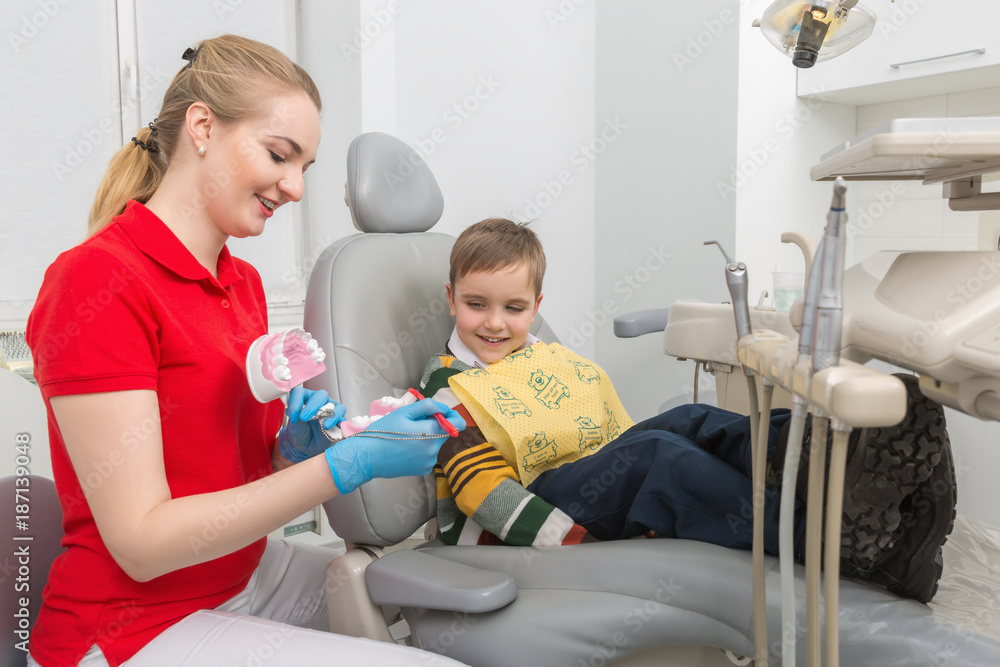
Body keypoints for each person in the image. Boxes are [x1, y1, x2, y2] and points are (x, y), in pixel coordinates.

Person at [25, 35, 466, 667]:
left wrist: (293, 452)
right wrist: (348, 467)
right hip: (134, 626)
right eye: (279, 156)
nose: (294, 188)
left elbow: (228, 475)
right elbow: (142, 542)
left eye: (305, 169)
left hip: (244, 575)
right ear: (202, 126)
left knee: (444, 612)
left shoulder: (242, 284)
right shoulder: (99, 281)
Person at [419, 217, 956, 603]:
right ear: (451, 298)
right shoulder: (447, 388)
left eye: (513, 309)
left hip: (571, 481)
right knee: (660, 456)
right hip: (514, 524)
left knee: (689, 422)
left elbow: (608, 433)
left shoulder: (540, 358)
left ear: (537, 307)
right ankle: (824, 538)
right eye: (476, 305)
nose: (494, 323)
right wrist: (580, 544)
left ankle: (818, 452)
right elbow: (479, 488)